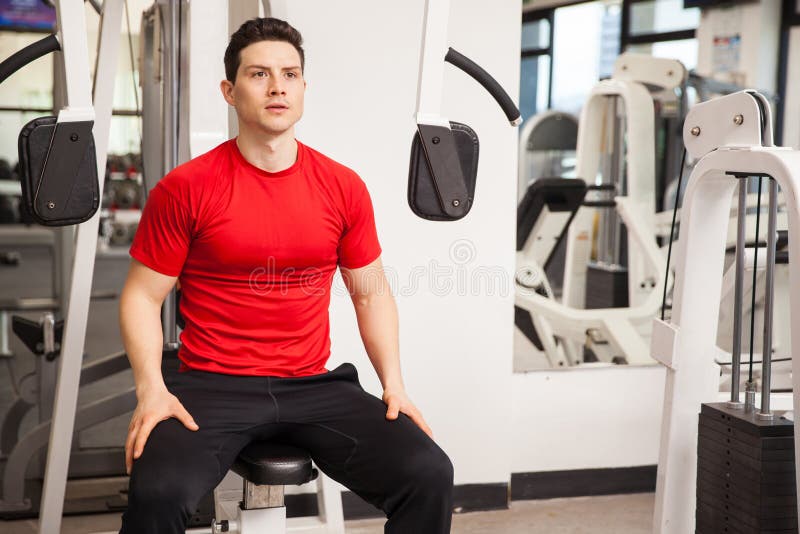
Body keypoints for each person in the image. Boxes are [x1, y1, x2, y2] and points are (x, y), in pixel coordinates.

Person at [118, 17, 453, 534]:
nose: (277, 86)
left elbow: (370, 293)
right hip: (212, 384)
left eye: (290, 74)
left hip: (312, 383)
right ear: (229, 91)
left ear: (302, 88)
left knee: (429, 472)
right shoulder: (185, 189)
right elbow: (142, 298)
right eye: (259, 74)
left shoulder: (342, 186)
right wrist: (151, 389)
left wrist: (394, 384)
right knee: (157, 493)